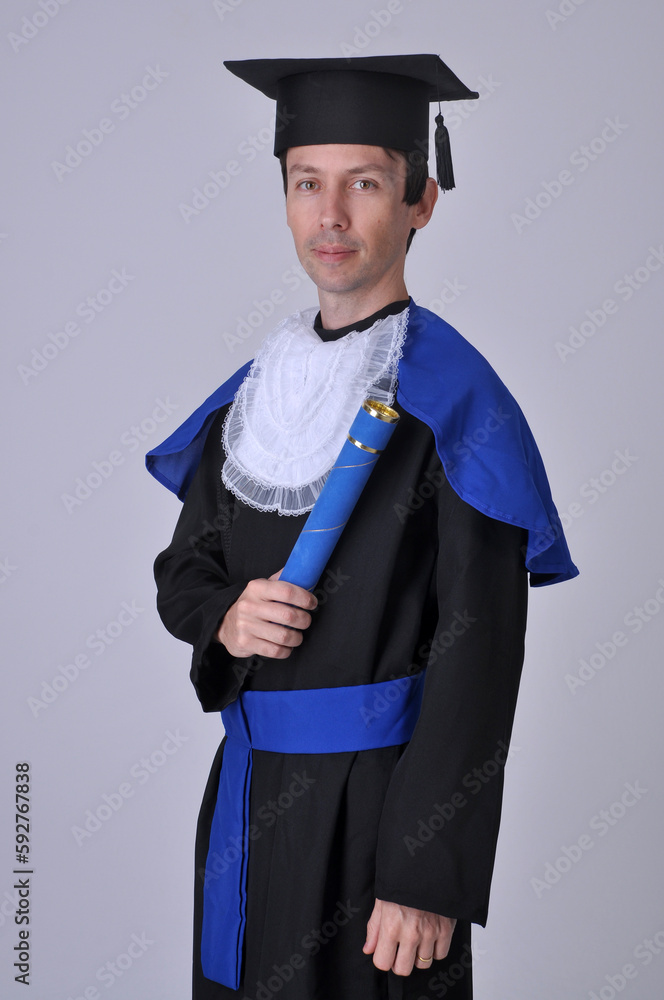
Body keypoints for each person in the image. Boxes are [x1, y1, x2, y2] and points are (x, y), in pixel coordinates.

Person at [147, 54, 578, 1000]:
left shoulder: (460, 407)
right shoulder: (254, 398)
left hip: (381, 828)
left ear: (420, 201)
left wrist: (427, 876)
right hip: (250, 811)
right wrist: (225, 617)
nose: (331, 216)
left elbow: (482, 659)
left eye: (365, 184)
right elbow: (186, 568)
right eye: (308, 184)